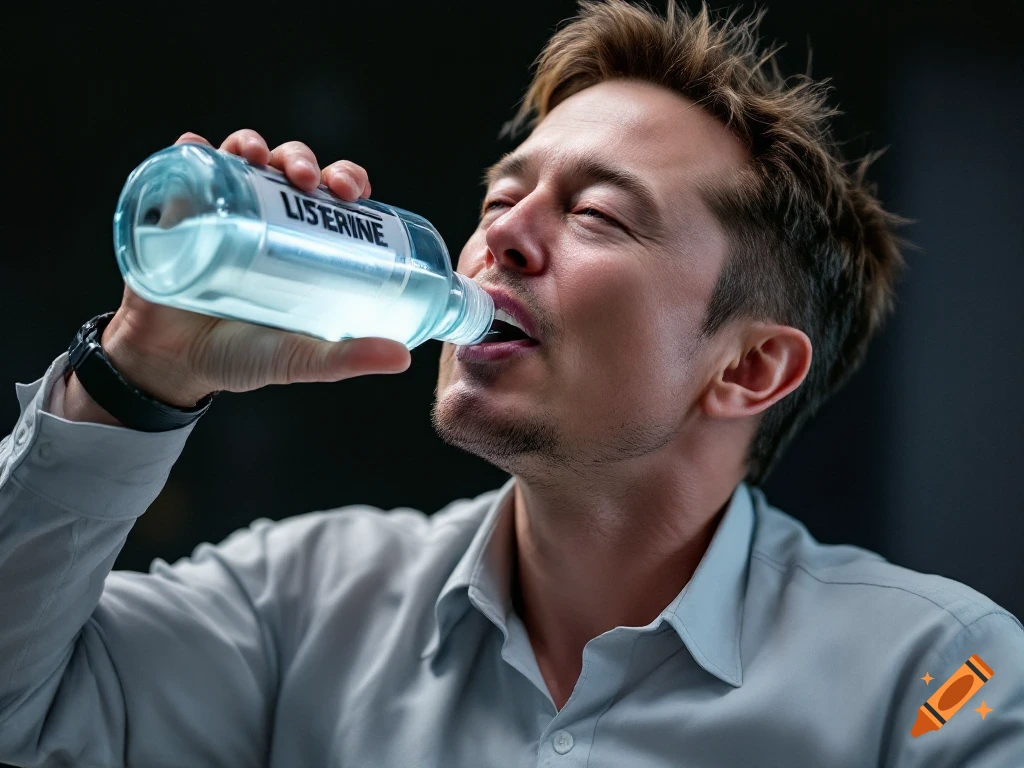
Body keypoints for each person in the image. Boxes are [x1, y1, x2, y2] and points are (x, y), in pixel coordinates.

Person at [1, 1, 1020, 766]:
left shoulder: (931, 678)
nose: (498, 238)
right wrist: (136, 370)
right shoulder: (298, 604)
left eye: (597, 216)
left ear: (748, 368)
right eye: (501, 195)